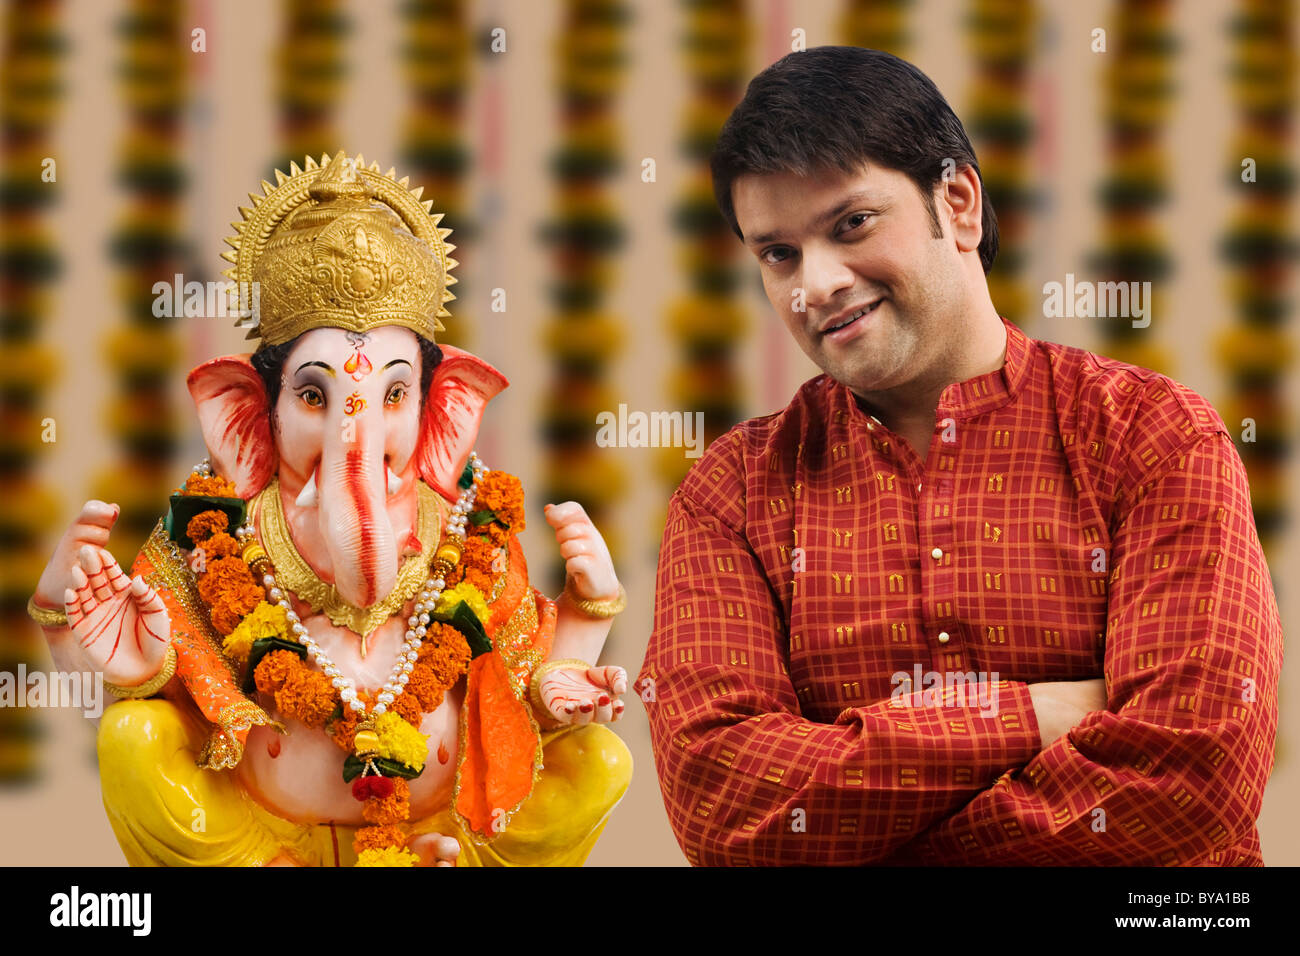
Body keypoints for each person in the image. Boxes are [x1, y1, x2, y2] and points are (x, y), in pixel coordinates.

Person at [638, 47, 1282, 866]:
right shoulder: (730, 493)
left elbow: (1197, 774)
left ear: (959, 203)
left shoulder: (1150, 435)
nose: (818, 283)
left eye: (851, 225)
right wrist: (1031, 717)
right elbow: (722, 807)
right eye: (779, 254)